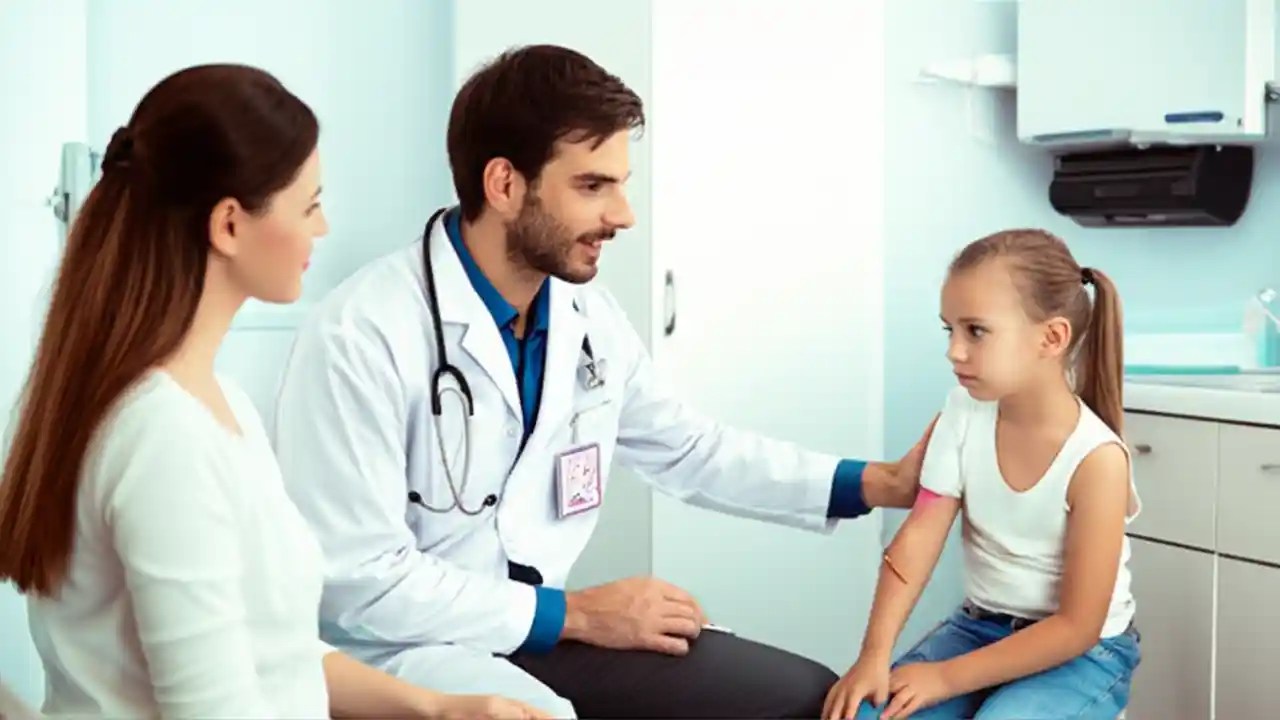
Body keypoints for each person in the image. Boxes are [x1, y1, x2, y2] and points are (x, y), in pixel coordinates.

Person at [271, 43, 936, 720]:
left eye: (620, 184)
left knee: (802, 700)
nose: (623, 215)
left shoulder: (584, 312)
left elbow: (686, 447)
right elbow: (359, 582)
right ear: (505, 185)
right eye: (593, 186)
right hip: (398, 651)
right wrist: (579, 614)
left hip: (536, 633)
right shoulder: (362, 332)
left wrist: (875, 484)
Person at [0, 63, 544, 720]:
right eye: (310, 204)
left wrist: (438, 708)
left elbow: (275, 650)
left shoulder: (215, 404)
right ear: (229, 224)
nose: (323, 228)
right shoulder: (163, 439)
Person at [823, 229, 1142, 720]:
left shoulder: (1097, 459)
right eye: (948, 329)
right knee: (866, 715)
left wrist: (945, 677)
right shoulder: (963, 413)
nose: (954, 350)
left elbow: (1077, 626)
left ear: (1051, 338)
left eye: (975, 330)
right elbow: (918, 539)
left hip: (1085, 655)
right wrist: (874, 656)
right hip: (979, 628)